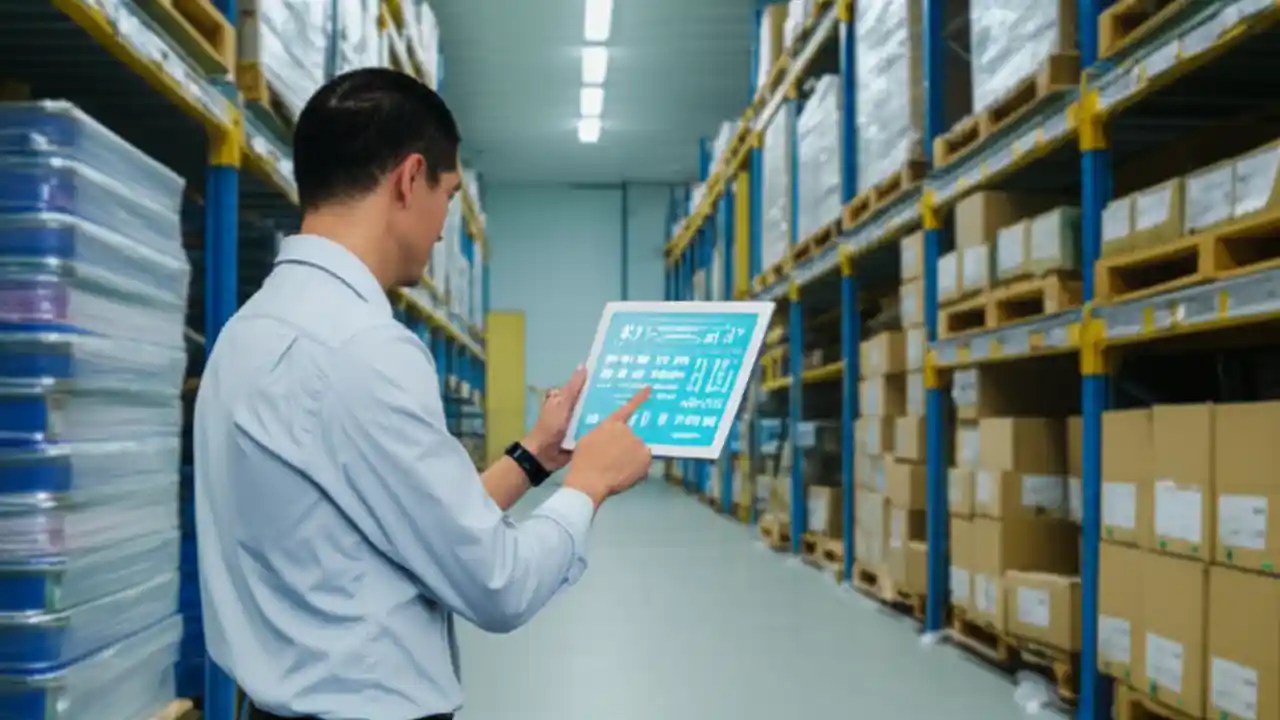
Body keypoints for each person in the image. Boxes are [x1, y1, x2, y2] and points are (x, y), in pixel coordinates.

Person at [193, 68, 654, 720]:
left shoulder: (246, 334)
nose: (443, 229)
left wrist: (533, 457)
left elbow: (405, 523)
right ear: (410, 179)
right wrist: (591, 483)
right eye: (448, 193)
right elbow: (498, 584)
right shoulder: (364, 348)